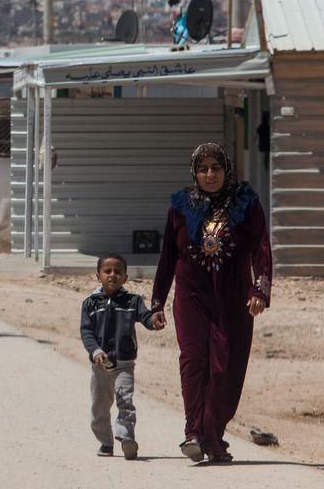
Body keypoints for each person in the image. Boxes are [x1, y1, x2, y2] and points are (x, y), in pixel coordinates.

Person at [151, 142, 272, 464]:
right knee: (194, 361)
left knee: (226, 368)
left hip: (234, 298)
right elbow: (167, 258)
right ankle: (193, 432)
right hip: (192, 297)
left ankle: (213, 436)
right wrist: (157, 303)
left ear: (225, 170)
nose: (209, 174)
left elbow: (261, 246)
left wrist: (261, 289)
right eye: (203, 168)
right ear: (195, 171)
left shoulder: (246, 202)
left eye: (215, 168)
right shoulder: (180, 205)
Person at [80, 253, 164, 460]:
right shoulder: (90, 304)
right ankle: (106, 442)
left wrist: (153, 321)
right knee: (99, 407)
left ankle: (126, 438)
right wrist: (96, 351)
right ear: (98, 276)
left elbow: (144, 316)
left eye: (118, 272)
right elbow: (86, 332)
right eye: (107, 271)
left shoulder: (132, 301)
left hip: (124, 364)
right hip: (100, 366)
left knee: (125, 401)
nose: (112, 275)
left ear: (126, 278)